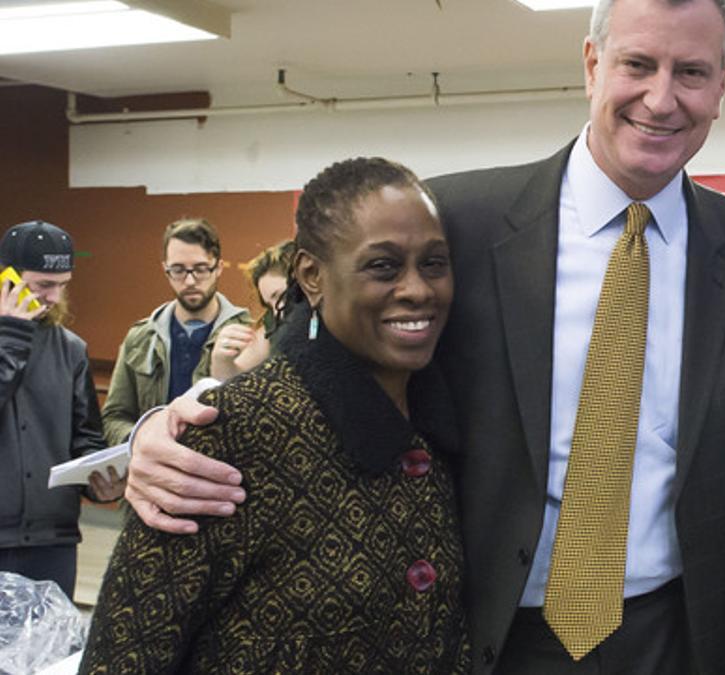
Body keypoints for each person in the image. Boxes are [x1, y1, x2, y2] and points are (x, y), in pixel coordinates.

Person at [120, 2, 725, 673]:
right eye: (639, 66)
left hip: (678, 635)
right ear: (590, 64)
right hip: (487, 627)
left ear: (722, 85)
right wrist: (180, 418)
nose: (662, 98)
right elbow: (329, 346)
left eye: (691, 72)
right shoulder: (468, 222)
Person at [80, 157, 470, 673]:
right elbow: (126, 653)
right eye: (384, 265)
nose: (418, 289)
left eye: (434, 264)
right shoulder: (228, 433)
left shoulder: (452, 423)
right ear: (311, 276)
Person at [0, 220, 123, 600]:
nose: (55, 297)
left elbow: (85, 437)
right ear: (6, 280)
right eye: (43, 285)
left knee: (49, 659)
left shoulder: (70, 349)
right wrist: (11, 338)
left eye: (62, 285)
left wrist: (98, 480)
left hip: (52, 540)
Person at [101, 217, 250, 445]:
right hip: (156, 470)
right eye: (179, 270)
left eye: (200, 269)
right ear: (165, 270)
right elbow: (114, 416)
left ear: (218, 267)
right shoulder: (141, 338)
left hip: (221, 471)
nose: (190, 281)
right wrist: (143, 441)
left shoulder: (246, 334)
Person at [209, 240, 295, 381]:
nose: (276, 312)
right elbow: (234, 378)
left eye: (281, 296)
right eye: (269, 305)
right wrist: (221, 360)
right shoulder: (274, 324)